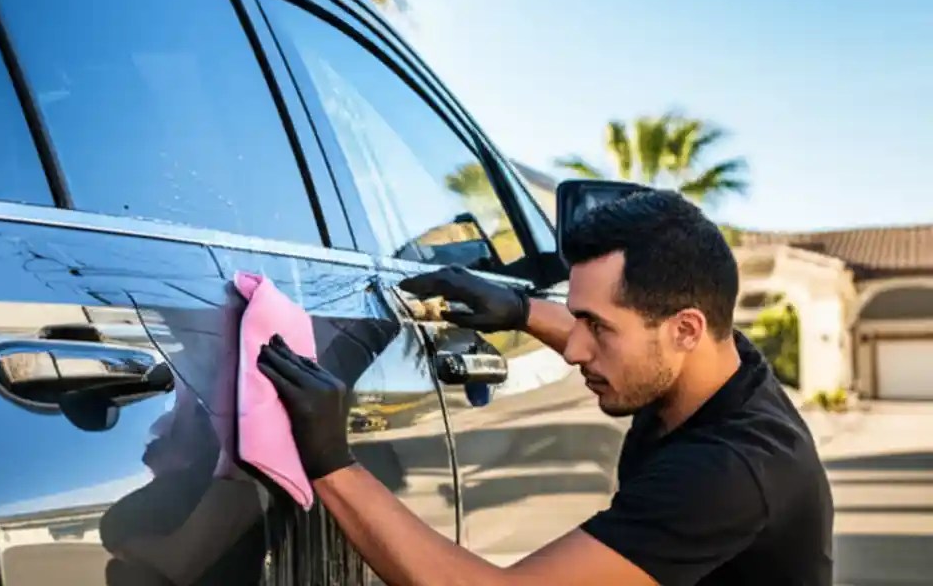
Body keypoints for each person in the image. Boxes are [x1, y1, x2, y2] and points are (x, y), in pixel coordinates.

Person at [258, 189, 833, 586]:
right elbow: (620, 339)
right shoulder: (722, 366)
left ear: (686, 328)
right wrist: (518, 308)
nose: (577, 349)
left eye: (598, 328)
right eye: (576, 318)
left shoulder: (730, 472)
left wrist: (332, 463)